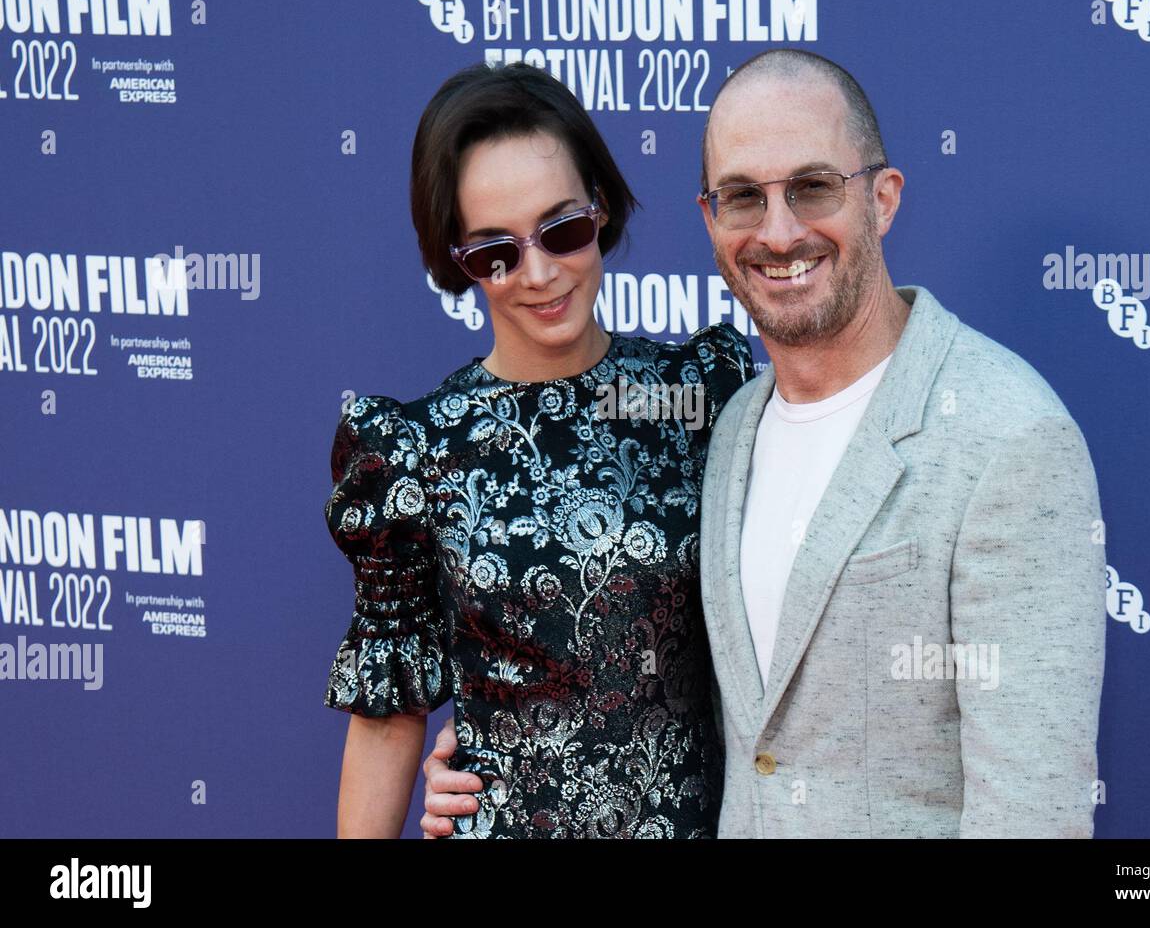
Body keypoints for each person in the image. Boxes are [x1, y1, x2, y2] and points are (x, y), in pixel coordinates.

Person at [420, 48, 1107, 839]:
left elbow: (1033, 810)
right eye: (744, 197)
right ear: (711, 219)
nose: (779, 233)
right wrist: (506, 750)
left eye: (813, 187)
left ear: (883, 198)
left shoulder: (1008, 436)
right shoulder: (728, 424)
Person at [322, 60, 754, 838]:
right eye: (497, 252)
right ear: (457, 257)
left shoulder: (699, 398)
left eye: (563, 229)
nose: (541, 272)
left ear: (601, 207)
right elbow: (389, 720)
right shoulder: (415, 450)